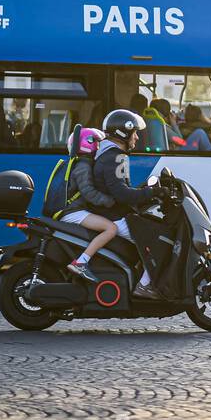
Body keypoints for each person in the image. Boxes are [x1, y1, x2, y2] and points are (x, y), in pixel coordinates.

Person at [90, 109, 167, 299]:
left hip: (108, 213)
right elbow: (122, 193)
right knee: (157, 239)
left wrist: (143, 192)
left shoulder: (106, 153)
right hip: (113, 216)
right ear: (124, 133)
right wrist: (153, 192)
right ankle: (144, 285)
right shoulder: (117, 156)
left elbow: (118, 187)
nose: (137, 138)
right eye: (135, 133)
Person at [56, 126, 121, 283]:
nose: (99, 147)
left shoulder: (79, 163)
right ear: (88, 144)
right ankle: (81, 262)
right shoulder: (83, 166)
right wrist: (111, 201)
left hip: (73, 210)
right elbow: (89, 193)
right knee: (111, 228)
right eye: (97, 143)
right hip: (72, 212)